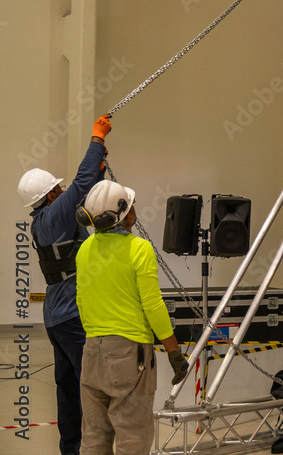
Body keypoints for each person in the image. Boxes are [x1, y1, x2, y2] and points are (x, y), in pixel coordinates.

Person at [16, 114, 112, 455]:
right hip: (72, 317)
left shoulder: (45, 221)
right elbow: (81, 183)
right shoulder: (54, 216)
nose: (62, 191)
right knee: (90, 386)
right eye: (57, 189)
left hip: (57, 317)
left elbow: (85, 190)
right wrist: (96, 139)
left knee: (68, 387)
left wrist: (100, 168)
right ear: (50, 196)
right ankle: (93, 447)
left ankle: (71, 449)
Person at [74, 179, 188, 455]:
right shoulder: (139, 249)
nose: (135, 207)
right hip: (129, 356)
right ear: (124, 212)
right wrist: (175, 353)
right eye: (131, 203)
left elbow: (81, 302)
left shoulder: (85, 249)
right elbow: (153, 305)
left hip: (91, 353)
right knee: (132, 440)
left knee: (93, 439)